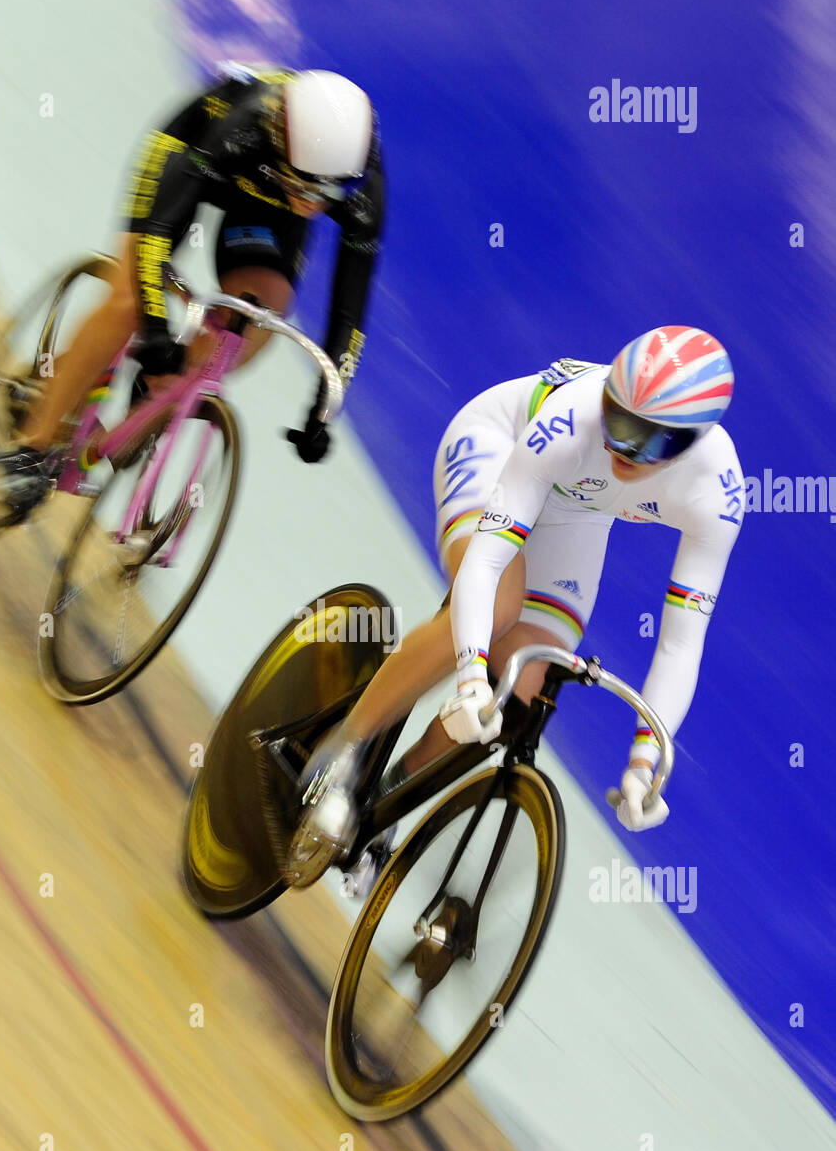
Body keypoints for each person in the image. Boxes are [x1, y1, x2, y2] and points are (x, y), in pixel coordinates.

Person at [301, 326, 741, 892]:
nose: (622, 446)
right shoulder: (575, 419)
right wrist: (467, 675)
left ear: (690, 443)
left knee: (524, 685)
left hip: (578, 514)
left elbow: (681, 642)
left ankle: (386, 802)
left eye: (648, 440)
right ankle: (343, 749)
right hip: (500, 449)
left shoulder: (718, 495)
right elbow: (485, 562)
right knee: (502, 602)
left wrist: (642, 764)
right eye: (618, 418)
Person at [0, 63, 384, 512]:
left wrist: (323, 408)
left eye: (328, 197)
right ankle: (33, 446)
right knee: (128, 303)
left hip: (266, 211)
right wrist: (157, 329)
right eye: (305, 186)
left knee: (255, 321)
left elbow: (349, 310)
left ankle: (142, 416)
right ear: (280, 138)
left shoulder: (362, 188)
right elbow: (158, 232)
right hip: (193, 157)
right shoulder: (244, 125)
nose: (313, 202)